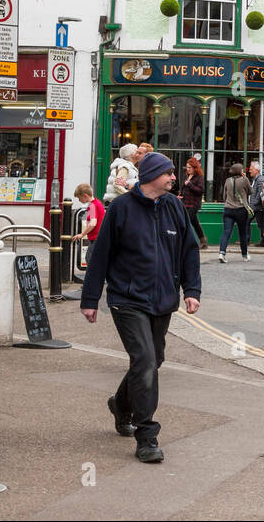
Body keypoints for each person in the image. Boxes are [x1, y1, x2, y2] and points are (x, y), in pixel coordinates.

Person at [80, 151, 201, 464]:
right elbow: (101, 255)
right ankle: (147, 436)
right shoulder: (121, 208)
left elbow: (189, 251)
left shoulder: (174, 207)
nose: (174, 178)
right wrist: (90, 299)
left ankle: (121, 406)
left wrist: (192, 289)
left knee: (152, 359)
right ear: (151, 177)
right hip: (127, 300)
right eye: (169, 173)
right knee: (145, 360)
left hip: (162, 301)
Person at [220, 162, 253, 263]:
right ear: (240, 171)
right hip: (241, 210)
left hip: (228, 209)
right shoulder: (244, 180)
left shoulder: (227, 181)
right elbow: (251, 191)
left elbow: (224, 197)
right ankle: (244, 255)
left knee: (226, 232)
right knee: (242, 233)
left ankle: (222, 253)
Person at [73, 183, 105, 267]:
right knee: (94, 260)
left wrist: (82, 234)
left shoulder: (92, 205)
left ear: (85, 196)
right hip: (100, 237)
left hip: (95, 238)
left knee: (90, 260)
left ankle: (94, 279)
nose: (79, 200)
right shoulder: (98, 203)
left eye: (79, 198)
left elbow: (93, 223)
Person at [179, 156, 207, 249]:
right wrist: (180, 195)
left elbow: (201, 190)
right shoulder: (186, 176)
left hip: (194, 204)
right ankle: (203, 241)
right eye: (187, 167)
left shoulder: (199, 177)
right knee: (195, 223)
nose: (188, 169)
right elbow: (183, 188)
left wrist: (190, 184)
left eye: (190, 167)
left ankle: (184, 243)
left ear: (195, 168)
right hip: (185, 202)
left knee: (186, 223)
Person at [248, 162, 264, 247]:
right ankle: (262, 241)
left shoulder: (259, 179)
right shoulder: (256, 179)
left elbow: (260, 194)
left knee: (250, 222)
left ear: (256, 170)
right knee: (260, 224)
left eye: (251, 169)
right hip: (255, 206)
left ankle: (248, 240)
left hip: (256, 207)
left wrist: (253, 205)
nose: (250, 171)